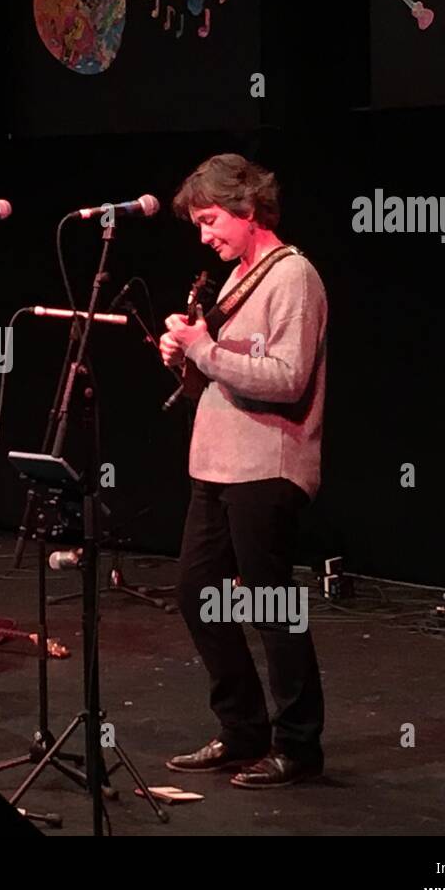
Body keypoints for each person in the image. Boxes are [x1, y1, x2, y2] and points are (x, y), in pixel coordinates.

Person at [159, 154, 327, 788]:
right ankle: (243, 730)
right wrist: (185, 354)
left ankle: (298, 745)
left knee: (269, 603)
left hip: (267, 462)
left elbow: (288, 378)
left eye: (209, 221)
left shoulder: (294, 277)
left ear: (248, 209)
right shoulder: (235, 281)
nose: (204, 237)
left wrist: (204, 348)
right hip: (217, 462)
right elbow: (217, 373)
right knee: (197, 593)